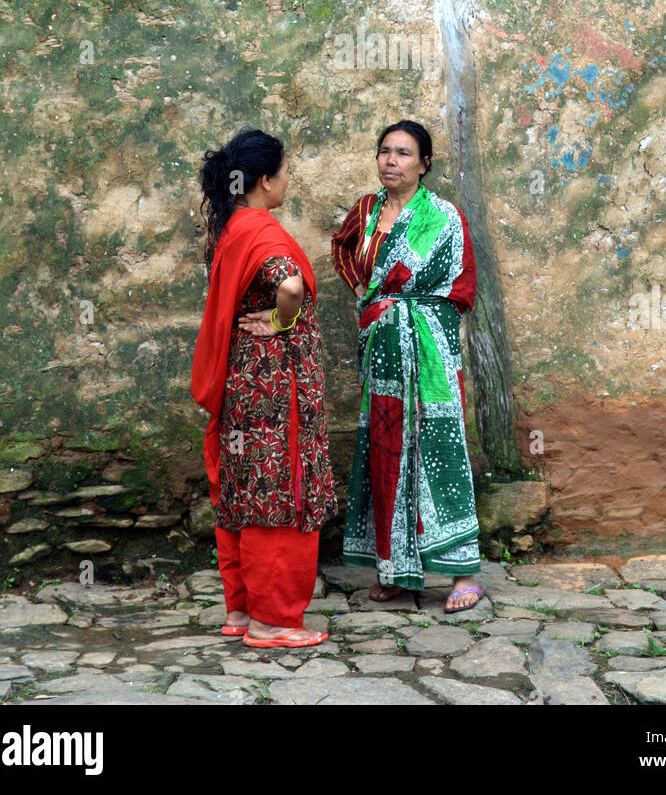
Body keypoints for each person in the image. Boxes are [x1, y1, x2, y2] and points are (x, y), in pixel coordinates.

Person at [331, 120, 484, 614]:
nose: (391, 161)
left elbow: (462, 287)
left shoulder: (443, 217)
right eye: (384, 152)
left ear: (424, 163)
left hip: (430, 355)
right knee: (386, 451)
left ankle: (463, 574)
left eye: (402, 153)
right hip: (382, 354)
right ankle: (396, 569)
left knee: (440, 452)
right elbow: (341, 248)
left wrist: (411, 313)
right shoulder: (367, 210)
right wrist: (364, 294)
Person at [191, 128, 336, 648]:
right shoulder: (265, 233)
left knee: (242, 483)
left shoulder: (229, 228)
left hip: (239, 380)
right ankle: (273, 621)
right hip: (276, 381)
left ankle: (241, 610)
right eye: (285, 172)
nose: (287, 181)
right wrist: (280, 318)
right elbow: (291, 284)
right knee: (280, 485)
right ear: (266, 179)